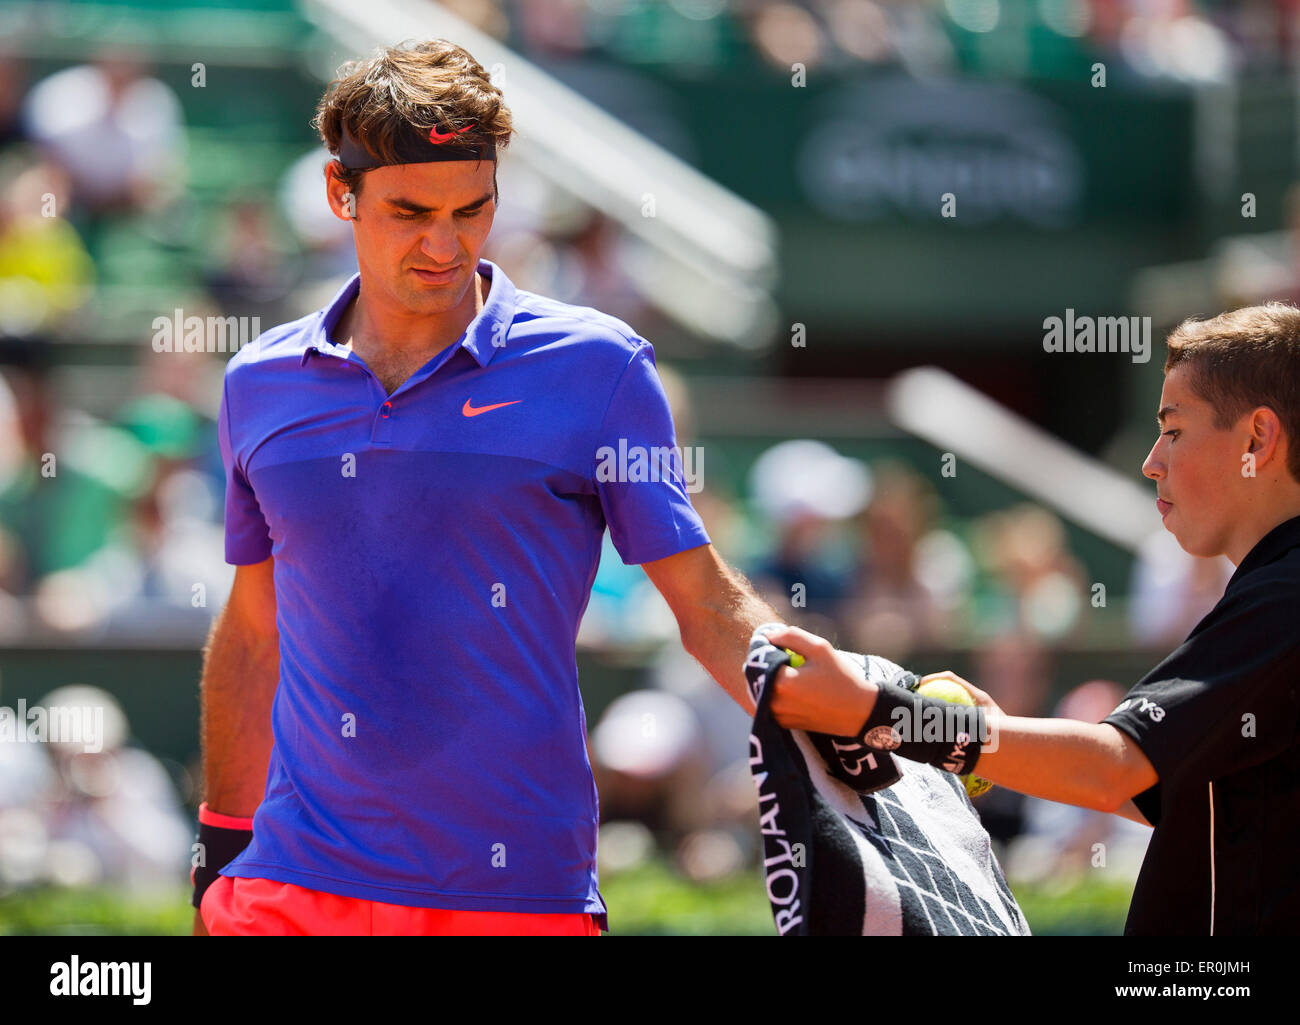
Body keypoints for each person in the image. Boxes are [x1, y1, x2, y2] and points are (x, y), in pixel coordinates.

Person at [191, 39, 833, 936]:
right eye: (411, 211)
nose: (444, 244)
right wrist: (222, 848)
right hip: (289, 888)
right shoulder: (256, 383)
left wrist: (854, 719)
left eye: (472, 209)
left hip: (516, 893)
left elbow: (706, 605)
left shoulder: (600, 369)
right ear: (342, 195)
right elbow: (256, 630)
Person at [765, 303, 1300, 935]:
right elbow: (1156, 790)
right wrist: (980, 738)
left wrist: (882, 716)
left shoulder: (1285, 592)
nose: (1152, 461)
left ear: (1257, 439)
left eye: (1175, 431)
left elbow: (1112, 768)